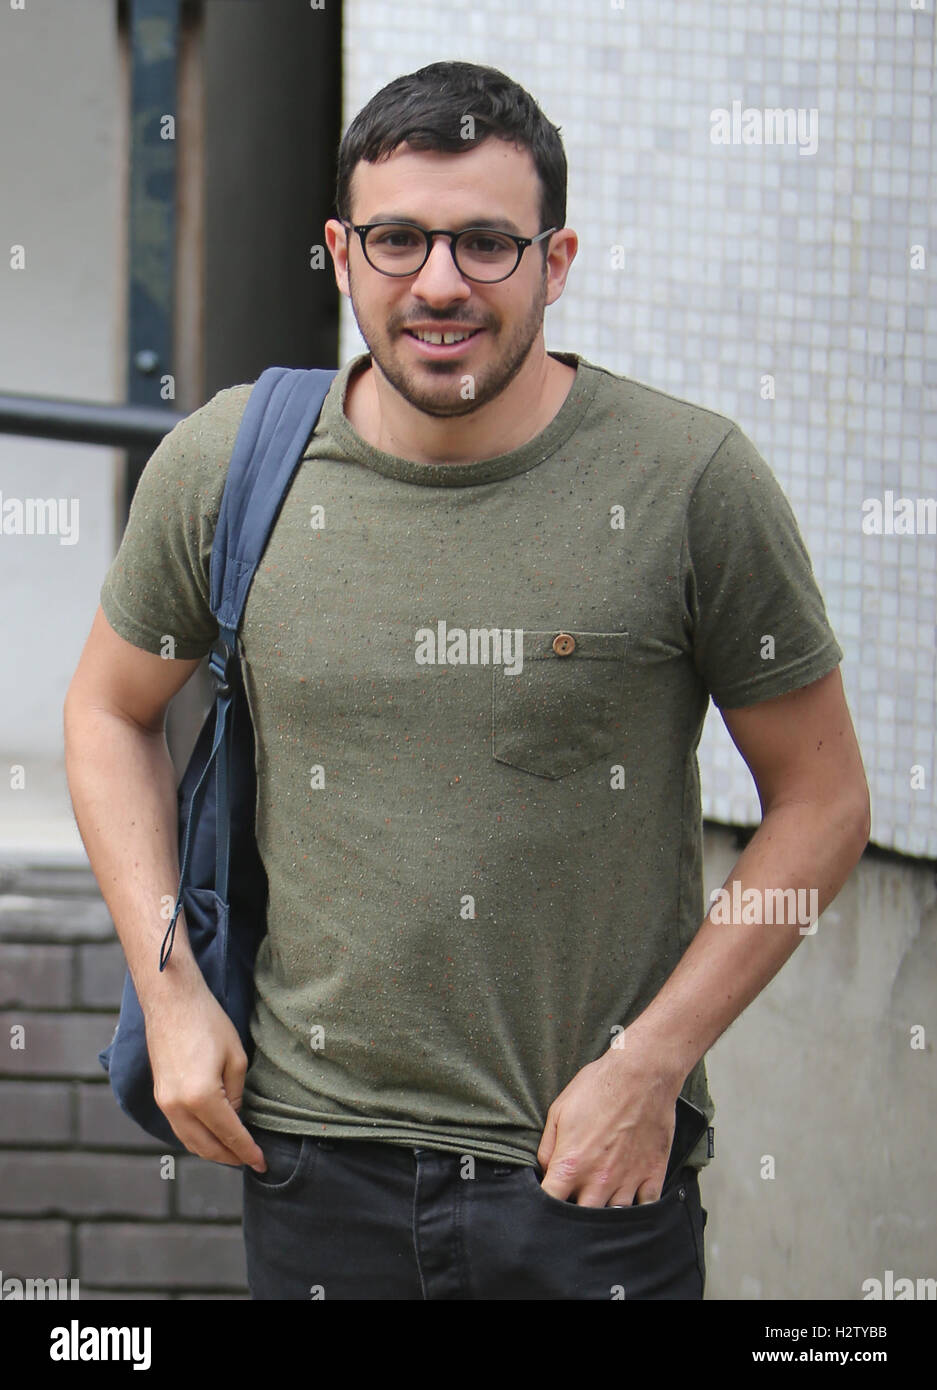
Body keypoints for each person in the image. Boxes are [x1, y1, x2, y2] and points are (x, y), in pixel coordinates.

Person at [64, 60, 870, 1301]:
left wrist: (651, 1066)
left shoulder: (688, 483)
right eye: (397, 239)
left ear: (555, 262)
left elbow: (821, 805)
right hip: (310, 1160)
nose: (439, 283)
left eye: (487, 243)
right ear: (341, 254)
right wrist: (171, 999)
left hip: (585, 1175)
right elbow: (108, 710)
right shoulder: (230, 465)